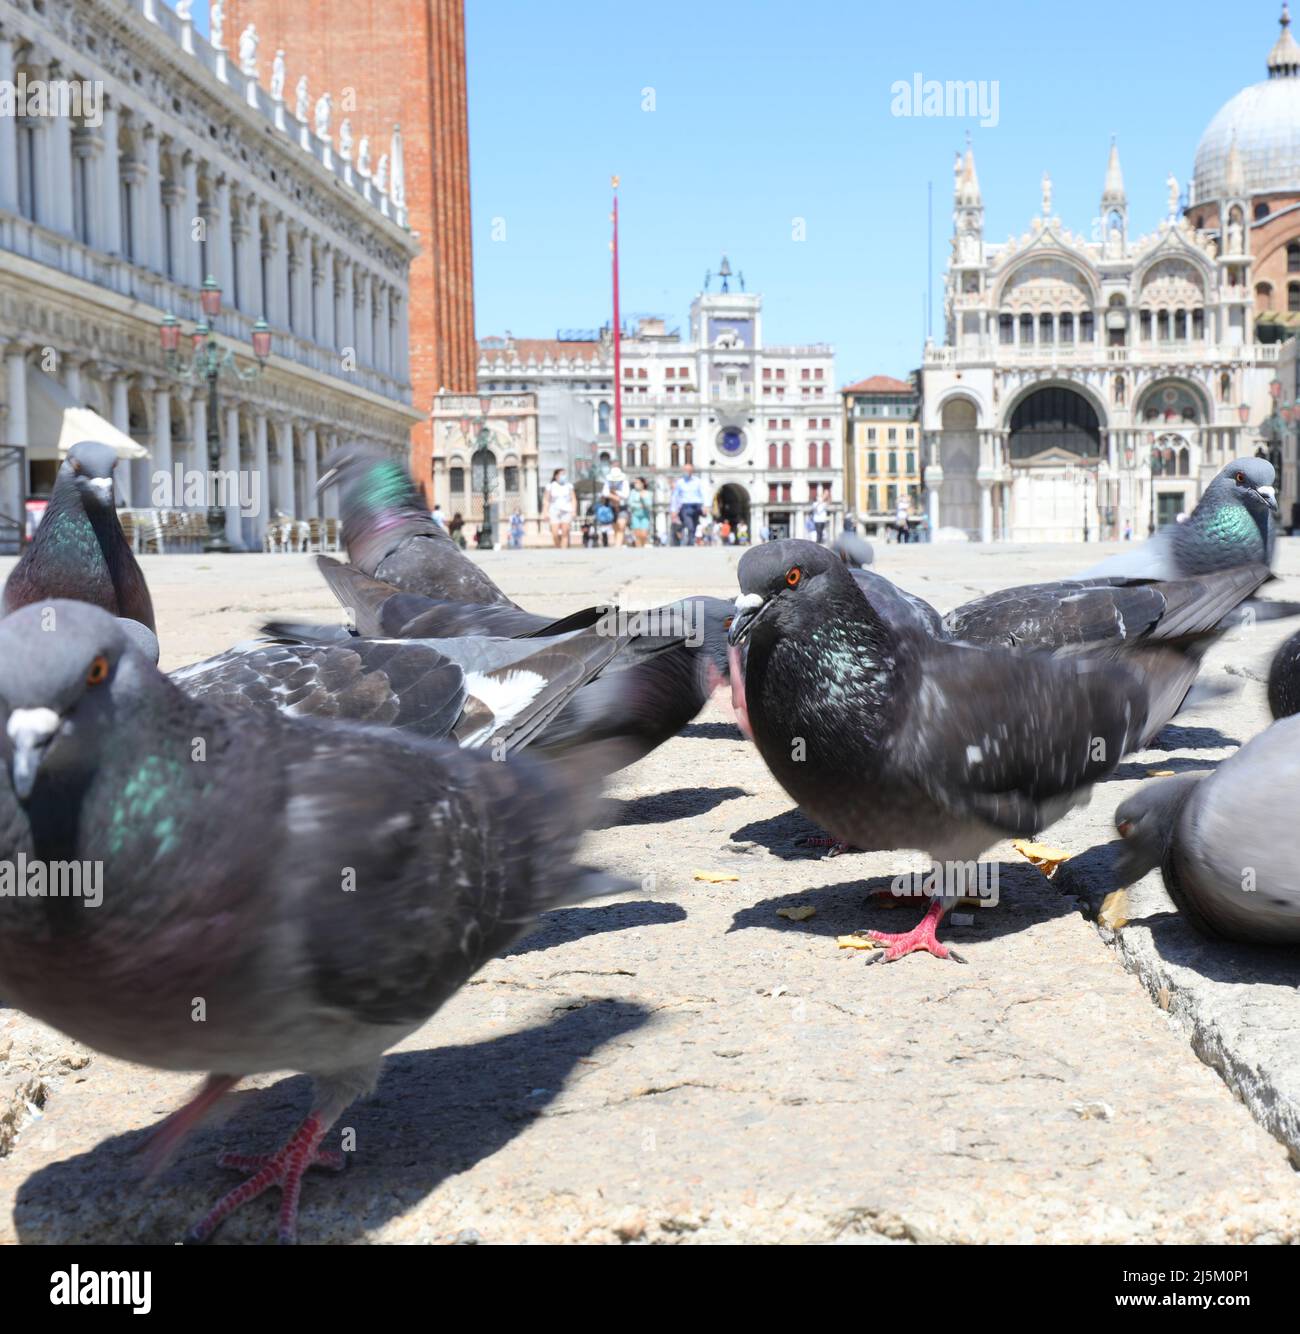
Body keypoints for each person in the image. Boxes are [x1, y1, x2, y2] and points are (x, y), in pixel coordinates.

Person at [669, 463, 706, 547]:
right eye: (685, 470)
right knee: (689, 524)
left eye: (689, 470)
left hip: (697, 506)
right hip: (685, 506)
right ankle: (690, 542)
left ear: (692, 471)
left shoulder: (697, 481)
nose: (687, 472)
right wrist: (673, 510)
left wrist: (705, 506)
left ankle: (691, 540)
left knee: (695, 524)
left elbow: (703, 494)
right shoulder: (680, 482)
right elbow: (675, 496)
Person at [543, 467, 575, 548]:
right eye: (562, 474)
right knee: (555, 533)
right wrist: (545, 512)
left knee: (565, 532)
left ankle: (564, 550)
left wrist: (574, 511)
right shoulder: (550, 486)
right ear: (556, 476)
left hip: (566, 511)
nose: (564, 476)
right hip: (554, 511)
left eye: (565, 474)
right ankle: (558, 547)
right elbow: (546, 500)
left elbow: (573, 499)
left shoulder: (569, 486)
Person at [604, 464, 630, 547]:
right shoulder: (608, 482)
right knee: (615, 527)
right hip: (612, 507)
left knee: (621, 525)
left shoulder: (624, 482)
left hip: (623, 507)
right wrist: (614, 497)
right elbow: (605, 493)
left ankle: (618, 545)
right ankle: (620, 542)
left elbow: (626, 495)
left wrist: (615, 492)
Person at [627, 476, 653, 548]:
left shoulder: (648, 493)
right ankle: (638, 548)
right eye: (635, 483)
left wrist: (643, 498)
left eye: (637, 483)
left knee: (643, 534)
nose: (636, 484)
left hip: (645, 515)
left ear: (643, 483)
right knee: (637, 534)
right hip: (635, 515)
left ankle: (643, 545)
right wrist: (639, 505)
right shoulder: (633, 492)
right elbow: (630, 503)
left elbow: (649, 504)